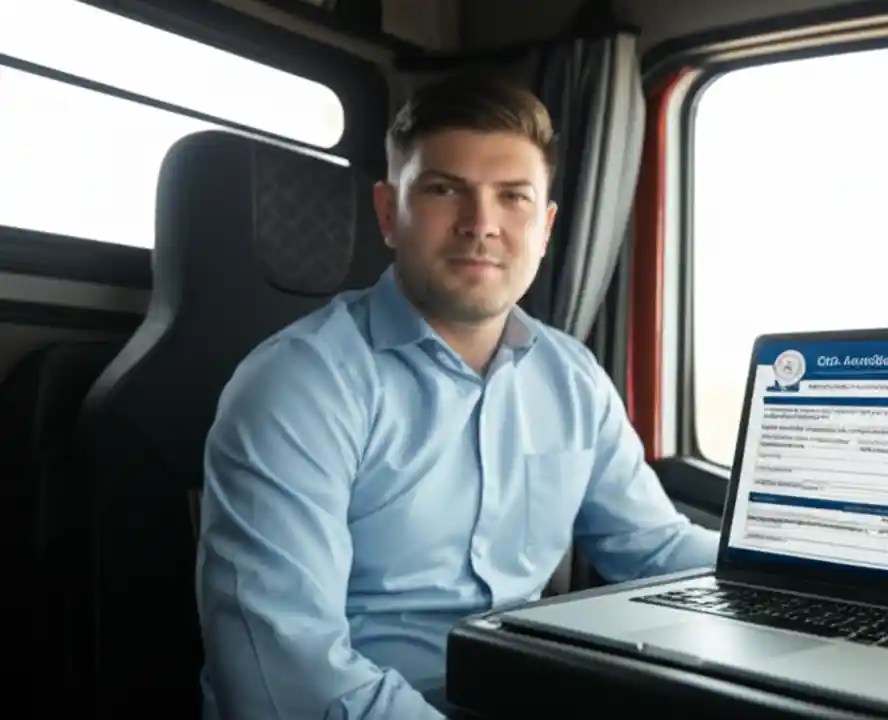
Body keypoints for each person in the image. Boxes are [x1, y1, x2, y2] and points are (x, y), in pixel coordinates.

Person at [194, 71, 719, 719]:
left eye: (514, 197)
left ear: (547, 225)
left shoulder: (571, 376)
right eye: (445, 190)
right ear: (390, 213)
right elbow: (287, 676)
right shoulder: (299, 384)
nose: (482, 224)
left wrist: (819, 563)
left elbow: (656, 551)